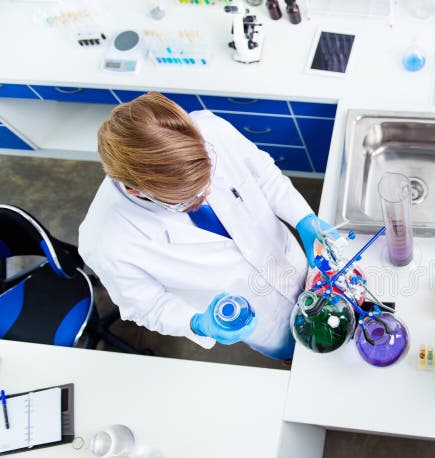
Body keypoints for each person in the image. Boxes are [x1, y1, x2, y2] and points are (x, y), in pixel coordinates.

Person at [79, 92, 334, 361]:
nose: (208, 192)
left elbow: (265, 177)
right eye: (189, 198)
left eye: (208, 178)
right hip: (264, 318)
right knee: (305, 357)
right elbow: (147, 306)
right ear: (136, 191)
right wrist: (196, 323)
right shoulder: (106, 241)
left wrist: (304, 220)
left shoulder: (211, 129)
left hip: (292, 262)